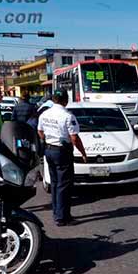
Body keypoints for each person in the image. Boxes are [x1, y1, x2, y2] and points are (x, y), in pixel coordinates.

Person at [37, 90, 87, 226]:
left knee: (54, 183)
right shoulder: (67, 116)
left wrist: (48, 139)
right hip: (62, 151)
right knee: (64, 185)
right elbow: (74, 138)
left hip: (49, 149)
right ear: (66, 100)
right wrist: (83, 153)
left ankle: (56, 212)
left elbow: (40, 131)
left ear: (53, 99)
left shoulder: (44, 114)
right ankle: (62, 217)